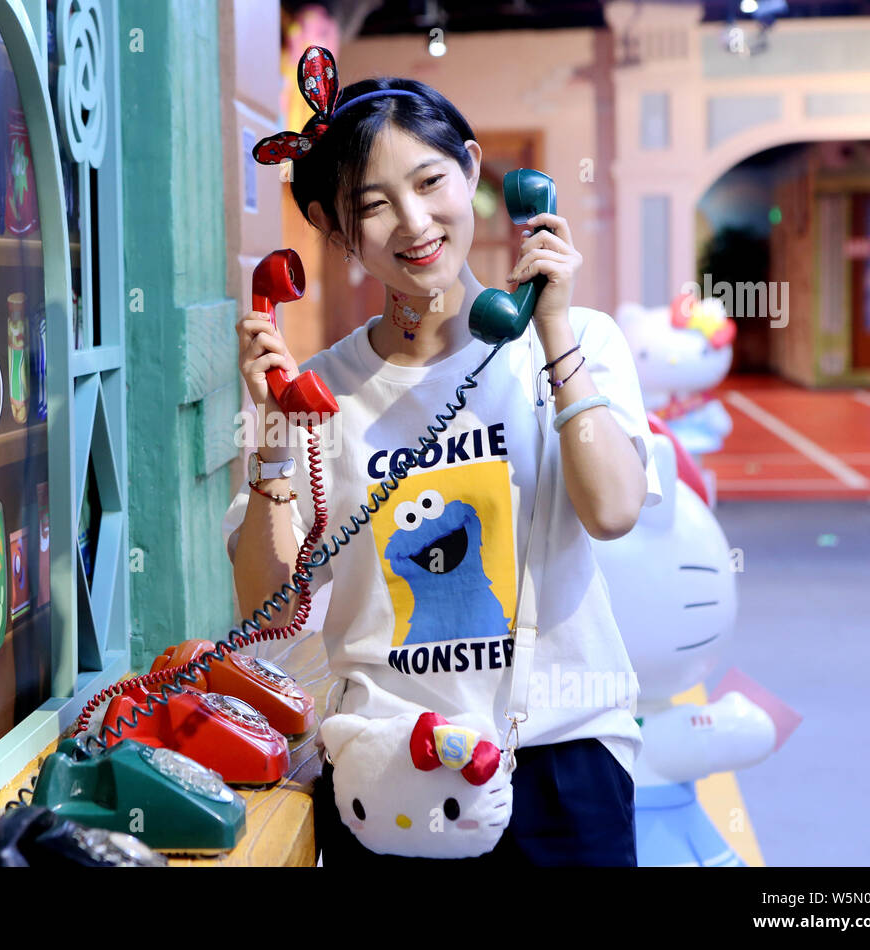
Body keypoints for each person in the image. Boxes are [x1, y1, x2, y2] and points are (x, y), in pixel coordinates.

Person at [222, 46, 662, 867]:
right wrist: (274, 441)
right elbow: (267, 610)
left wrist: (553, 325)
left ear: (472, 172)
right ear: (335, 231)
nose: (416, 224)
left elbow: (613, 510)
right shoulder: (318, 391)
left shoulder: (580, 342)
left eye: (430, 183)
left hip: (559, 756)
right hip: (390, 770)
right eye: (375, 204)